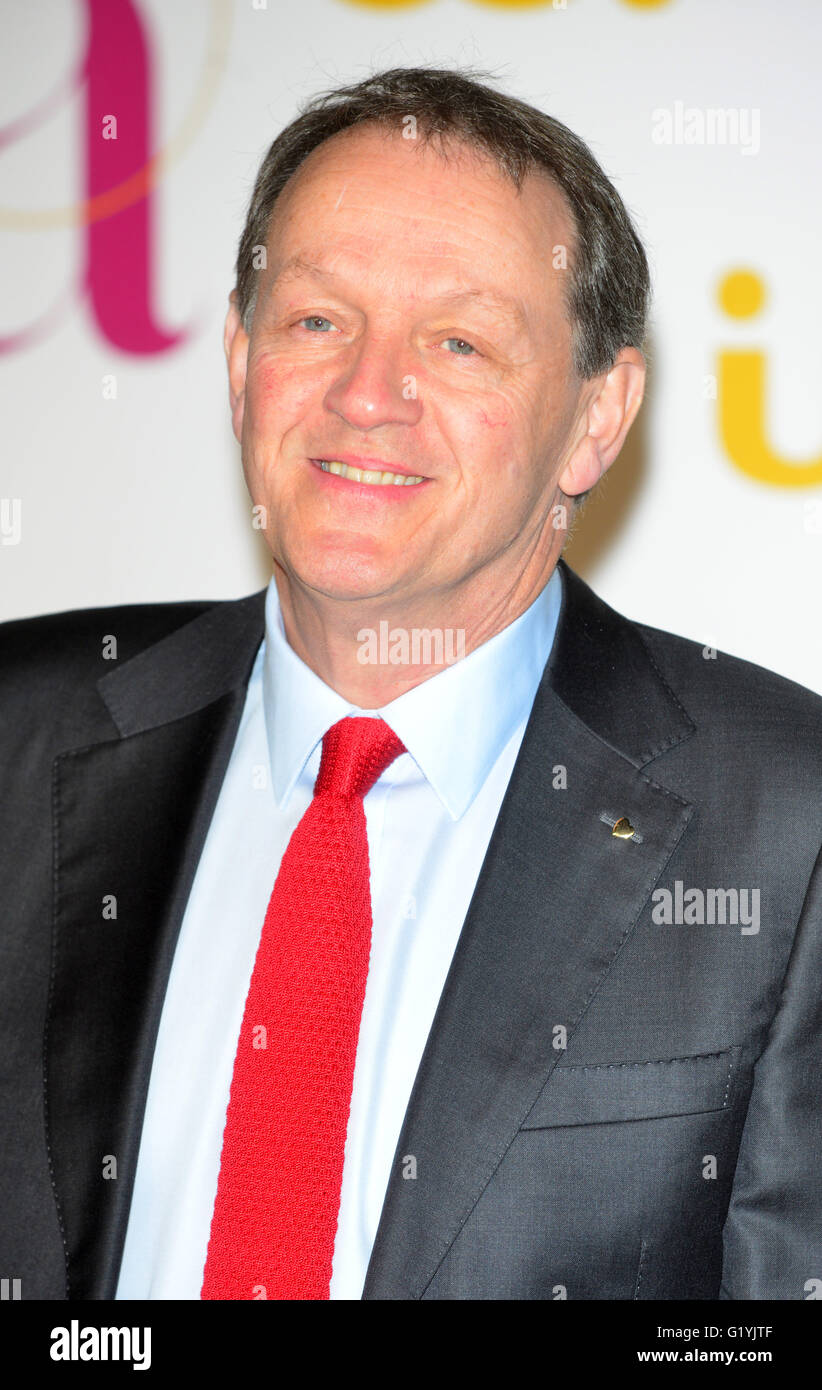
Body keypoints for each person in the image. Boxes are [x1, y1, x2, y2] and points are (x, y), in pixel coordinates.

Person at [1, 67, 820, 1302]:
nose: (367, 394)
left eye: (459, 340)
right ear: (238, 361)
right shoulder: (20, 733)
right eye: (318, 320)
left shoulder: (786, 821)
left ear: (598, 417)